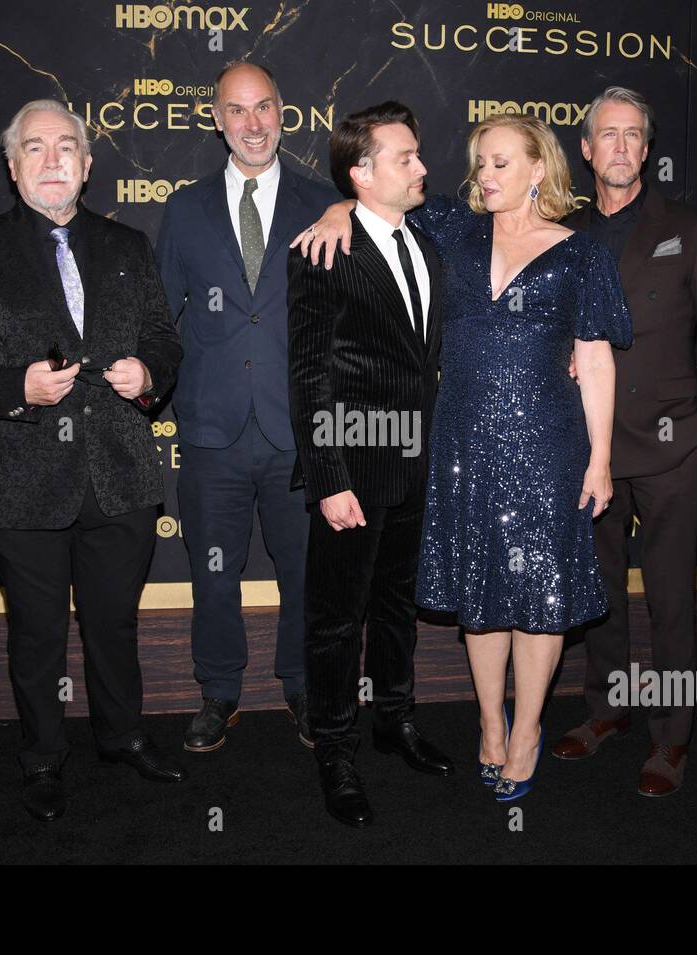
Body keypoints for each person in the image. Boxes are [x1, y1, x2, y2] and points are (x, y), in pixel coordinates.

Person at [295, 112, 632, 802]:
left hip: (548, 446)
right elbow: (377, 202)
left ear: (541, 168)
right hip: (461, 448)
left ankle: (529, 727)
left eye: (502, 163)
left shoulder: (581, 255)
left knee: (537, 594)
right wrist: (336, 207)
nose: (485, 175)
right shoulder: (454, 229)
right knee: (480, 592)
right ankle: (488, 721)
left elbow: (595, 359)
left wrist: (600, 458)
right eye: (480, 163)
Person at [0, 99, 185, 822]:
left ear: (88, 164)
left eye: (65, 147)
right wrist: (19, 387)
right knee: (37, 634)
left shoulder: (129, 244)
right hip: (21, 483)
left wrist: (150, 374)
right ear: (12, 168)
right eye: (34, 148)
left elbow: (165, 337)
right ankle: (42, 756)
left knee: (113, 624)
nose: (51, 160)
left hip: (121, 476)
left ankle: (124, 735)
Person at [550, 87, 697, 796]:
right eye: (609, 135)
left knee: (671, 600)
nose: (622, 148)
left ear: (647, 147)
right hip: (592, 450)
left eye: (634, 135)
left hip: (670, 452)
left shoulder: (691, 228)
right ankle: (606, 710)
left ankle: (672, 739)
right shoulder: (563, 231)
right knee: (597, 594)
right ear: (586, 147)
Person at [156, 61, 343, 753]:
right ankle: (219, 692)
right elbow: (158, 319)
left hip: (301, 435)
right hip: (211, 431)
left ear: (283, 111)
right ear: (216, 120)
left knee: (305, 575)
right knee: (212, 573)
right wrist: (145, 379)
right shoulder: (184, 209)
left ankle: (302, 686)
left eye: (263, 107)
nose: (253, 123)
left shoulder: (324, 202)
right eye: (237, 111)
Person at [287, 102, 455, 828]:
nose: (422, 168)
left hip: (418, 465)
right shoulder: (323, 250)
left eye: (418, 155)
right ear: (362, 173)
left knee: (396, 609)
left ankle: (394, 719)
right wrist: (329, 478)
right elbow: (309, 373)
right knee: (335, 620)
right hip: (353, 469)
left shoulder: (431, 238)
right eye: (406, 158)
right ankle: (334, 749)